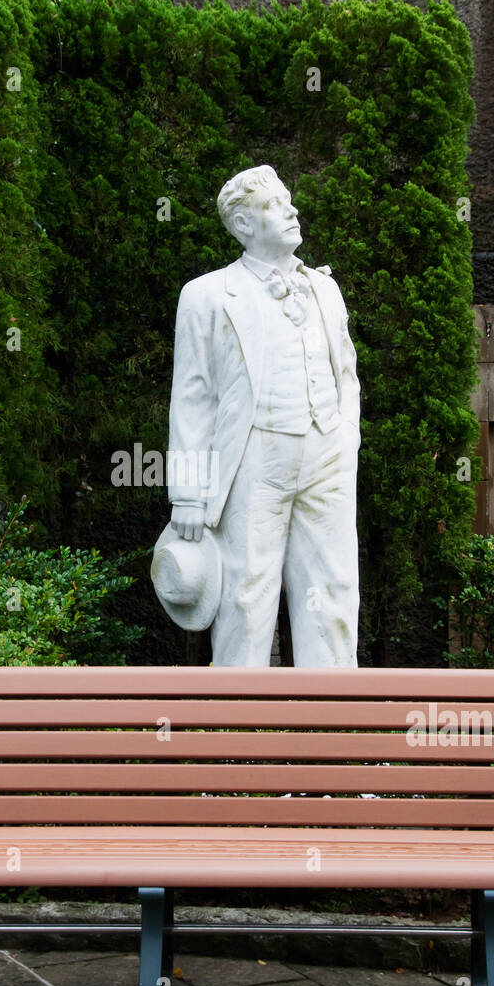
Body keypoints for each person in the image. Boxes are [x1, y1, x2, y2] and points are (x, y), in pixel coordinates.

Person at [162, 164, 360, 667]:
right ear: (244, 226)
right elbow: (192, 397)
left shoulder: (325, 290)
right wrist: (187, 492)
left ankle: (335, 737)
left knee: (333, 594)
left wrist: (346, 440)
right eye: (276, 205)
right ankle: (236, 742)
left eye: (289, 200)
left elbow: (347, 374)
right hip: (254, 457)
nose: (292, 210)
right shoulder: (205, 295)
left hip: (326, 454)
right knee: (246, 597)